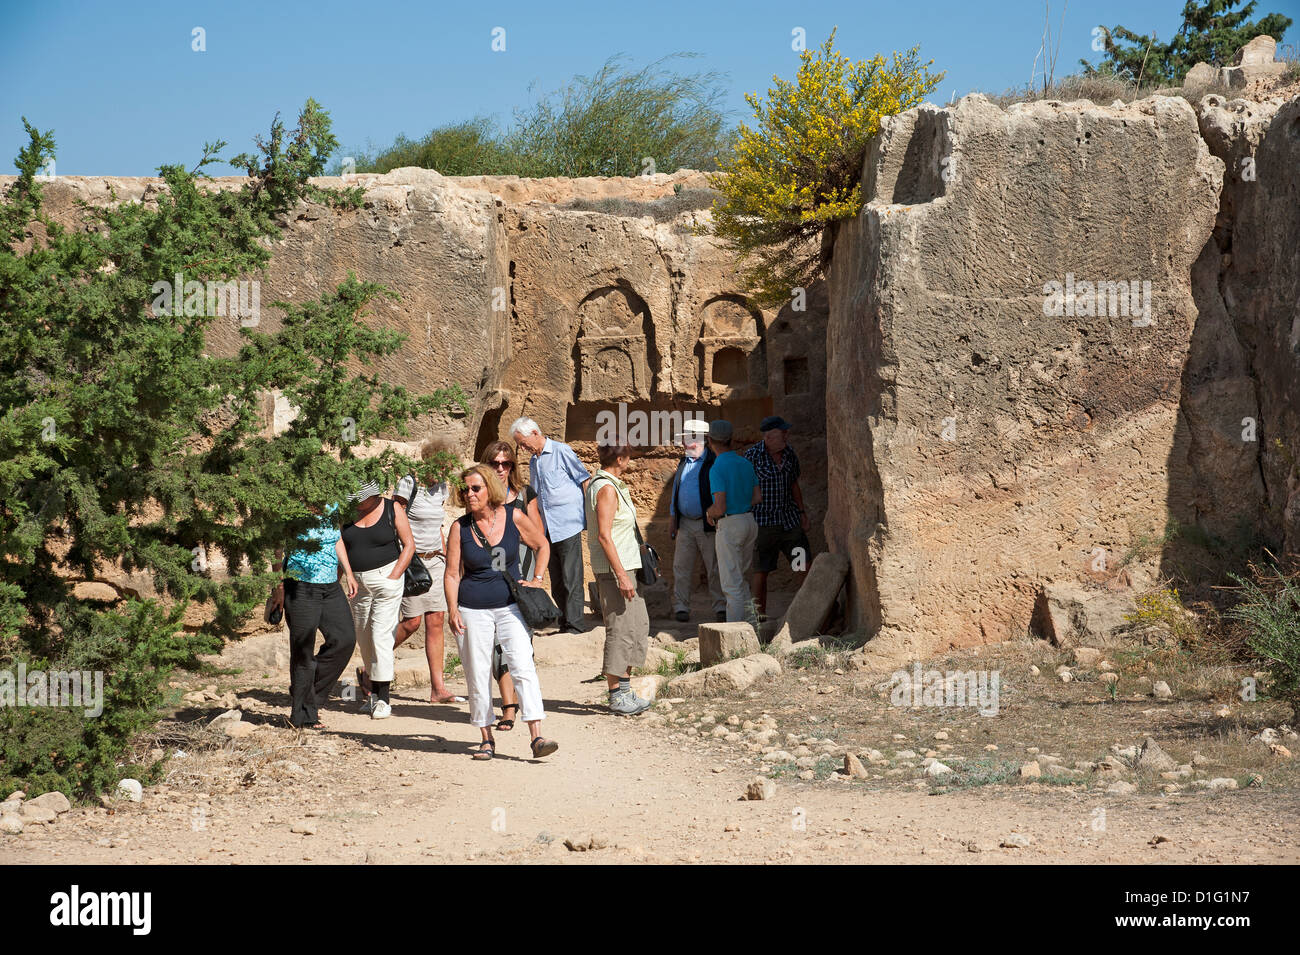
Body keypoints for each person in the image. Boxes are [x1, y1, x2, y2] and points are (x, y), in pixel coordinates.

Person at [445, 464, 558, 761]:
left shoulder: (513, 516)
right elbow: (452, 574)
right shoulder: (460, 527)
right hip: (472, 608)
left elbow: (542, 545)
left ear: (489, 490)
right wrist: (452, 609)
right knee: (477, 672)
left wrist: (536, 579)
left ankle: (537, 735)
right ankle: (486, 737)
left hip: (510, 605)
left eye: (475, 488)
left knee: (522, 665)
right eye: (465, 489)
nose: (469, 494)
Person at [271, 504, 358, 729]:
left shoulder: (332, 503)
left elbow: (336, 538)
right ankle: (302, 716)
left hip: (330, 585)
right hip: (300, 585)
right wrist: (278, 585)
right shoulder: (290, 506)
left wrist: (348, 572)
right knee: (303, 651)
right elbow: (278, 547)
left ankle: (305, 690)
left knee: (345, 639)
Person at [586, 442, 653, 716]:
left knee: (636, 626)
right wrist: (621, 575)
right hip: (617, 572)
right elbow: (604, 535)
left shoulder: (609, 484)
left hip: (626, 569)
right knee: (619, 630)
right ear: (622, 458)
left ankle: (625, 691)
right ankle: (616, 695)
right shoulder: (606, 488)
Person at [481, 440, 542, 731]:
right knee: (495, 643)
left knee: (519, 639)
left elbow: (539, 538)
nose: (501, 469)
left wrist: (537, 579)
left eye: (507, 464)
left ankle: (514, 705)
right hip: (489, 575)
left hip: (520, 571)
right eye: (495, 464)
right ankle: (508, 704)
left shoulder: (523, 495)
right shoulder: (479, 496)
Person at [392, 439, 460, 704]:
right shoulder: (409, 483)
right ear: (430, 459)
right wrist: (405, 554)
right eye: (442, 464)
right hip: (411, 561)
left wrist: (445, 556)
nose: (445, 470)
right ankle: (373, 665)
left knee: (435, 621)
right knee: (411, 622)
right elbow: (394, 516)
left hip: (435, 560)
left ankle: (438, 689)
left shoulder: (442, 487)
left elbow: (438, 525)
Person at [510, 417, 591, 634]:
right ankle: (564, 621)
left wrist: (590, 515)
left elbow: (584, 479)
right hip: (547, 528)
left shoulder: (561, 451)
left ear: (535, 432)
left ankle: (575, 625)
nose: (522, 447)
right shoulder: (535, 462)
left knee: (571, 577)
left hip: (568, 523)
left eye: (523, 442)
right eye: (519, 444)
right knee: (556, 578)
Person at [343, 481, 415, 720]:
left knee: (380, 635)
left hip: (387, 578)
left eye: (360, 499)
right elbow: (340, 546)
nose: (357, 504)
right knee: (364, 638)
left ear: (373, 496)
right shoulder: (347, 511)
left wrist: (394, 577)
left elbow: (409, 545)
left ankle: (384, 698)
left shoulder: (392, 508)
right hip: (358, 584)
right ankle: (373, 695)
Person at [744, 416, 812, 618]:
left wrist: (802, 512)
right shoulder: (752, 456)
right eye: (782, 432)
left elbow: (793, 484)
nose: (786, 435)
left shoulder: (789, 453)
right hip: (763, 524)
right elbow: (744, 489)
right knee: (761, 571)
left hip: (790, 523)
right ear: (769, 437)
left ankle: (807, 612)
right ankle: (759, 618)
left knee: (802, 565)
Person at [668, 419, 726, 624]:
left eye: (687, 438)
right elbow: (676, 490)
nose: (684, 443)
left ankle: (720, 607)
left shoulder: (713, 462)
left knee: (714, 567)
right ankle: (681, 607)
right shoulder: (684, 462)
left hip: (707, 523)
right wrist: (673, 516)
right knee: (681, 567)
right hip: (685, 523)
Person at [704, 420, 761, 623]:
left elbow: (719, 507)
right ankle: (753, 627)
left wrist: (709, 513)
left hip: (731, 525)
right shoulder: (744, 462)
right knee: (741, 580)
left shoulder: (717, 467)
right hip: (749, 521)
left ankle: (736, 635)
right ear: (731, 439)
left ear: (709, 440)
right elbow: (757, 497)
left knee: (731, 584)